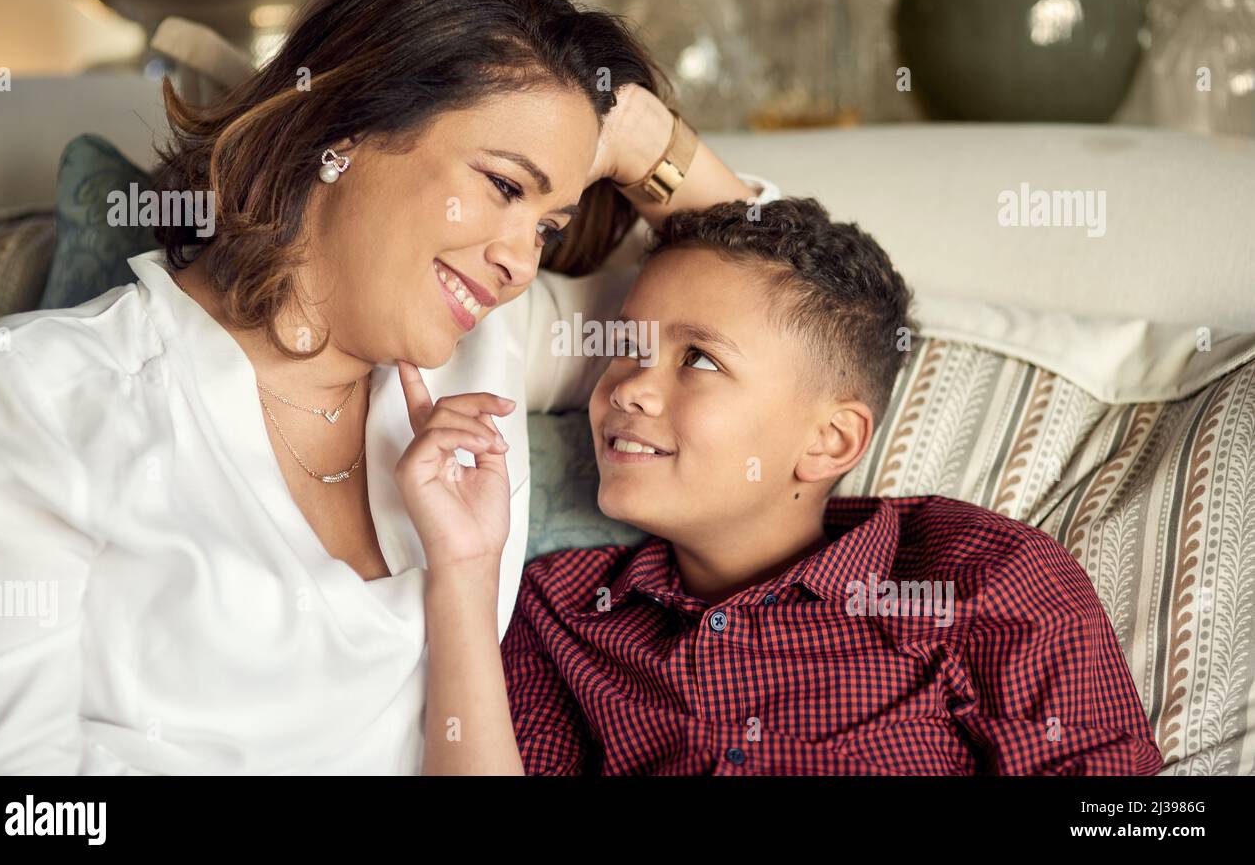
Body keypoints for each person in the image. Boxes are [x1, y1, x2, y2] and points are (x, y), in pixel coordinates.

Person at [0, 0, 779, 774]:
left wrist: (651, 145)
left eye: (548, 226)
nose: (521, 262)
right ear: (342, 132)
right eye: (502, 185)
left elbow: (779, 302)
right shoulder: (43, 394)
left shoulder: (487, 350)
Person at [395, 196, 1164, 774]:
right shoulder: (561, 613)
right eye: (623, 348)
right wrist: (463, 570)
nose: (626, 388)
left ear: (830, 441)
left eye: (699, 359)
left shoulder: (979, 576)